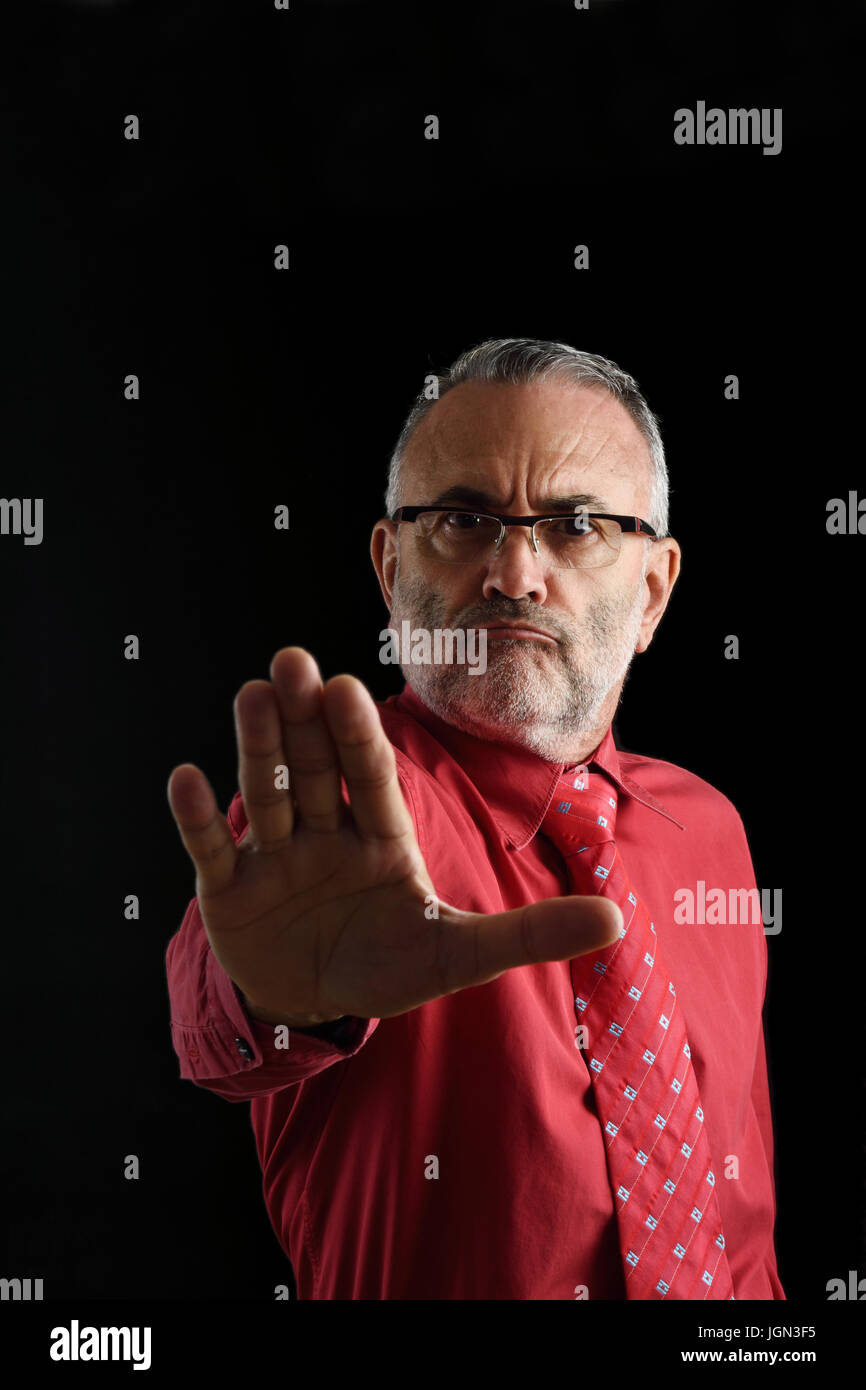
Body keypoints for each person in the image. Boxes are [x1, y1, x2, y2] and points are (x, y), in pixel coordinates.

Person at [165, 337, 785, 1300]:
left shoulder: (708, 832)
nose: (515, 575)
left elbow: (738, 1216)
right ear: (388, 565)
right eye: (463, 519)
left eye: (576, 523)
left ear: (653, 592)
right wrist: (282, 1003)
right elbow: (219, 1001)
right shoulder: (351, 813)